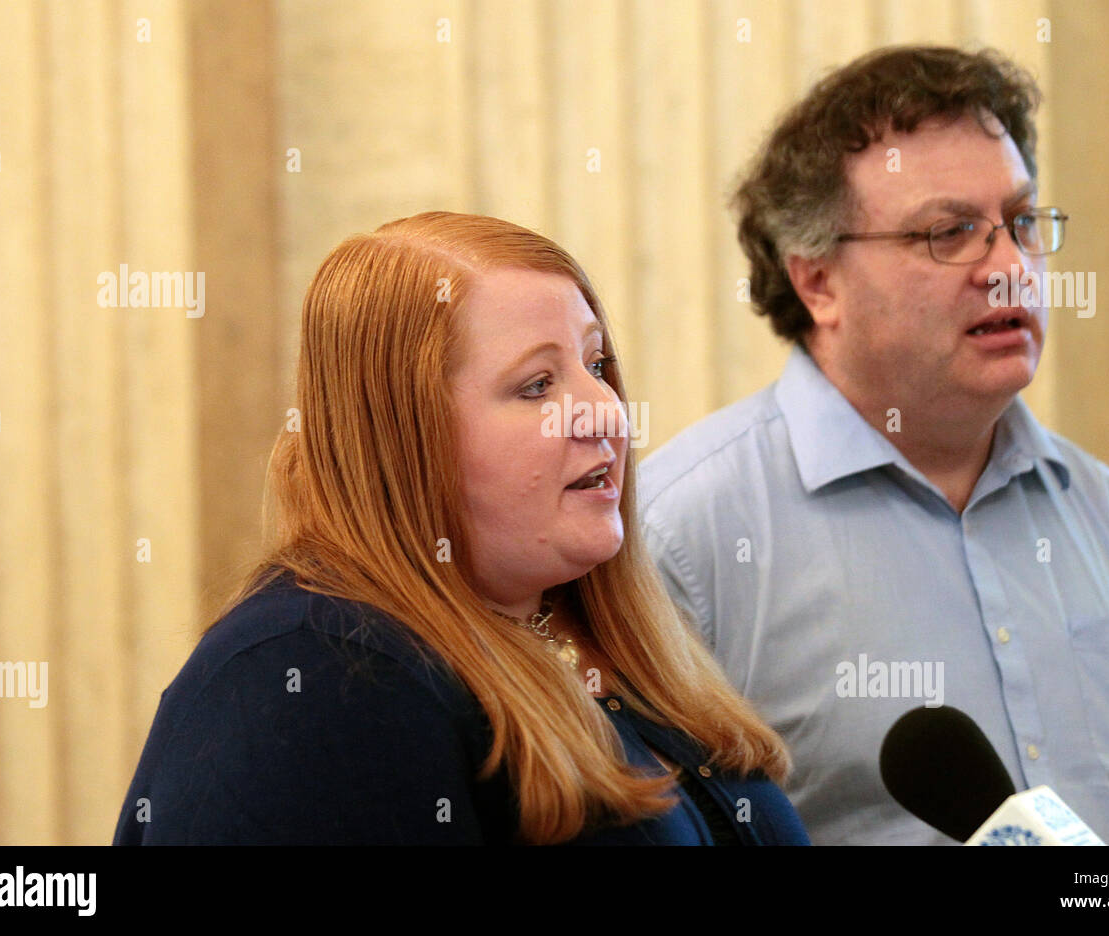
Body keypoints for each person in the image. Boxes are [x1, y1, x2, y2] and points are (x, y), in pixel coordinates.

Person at [111, 211, 810, 845]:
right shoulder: (308, 676)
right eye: (537, 385)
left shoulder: (592, 624)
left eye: (596, 366)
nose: (605, 413)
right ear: (403, 438)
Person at [638, 46, 1109, 845]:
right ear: (818, 281)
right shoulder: (682, 536)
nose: (1010, 268)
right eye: (949, 232)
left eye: (1022, 222)